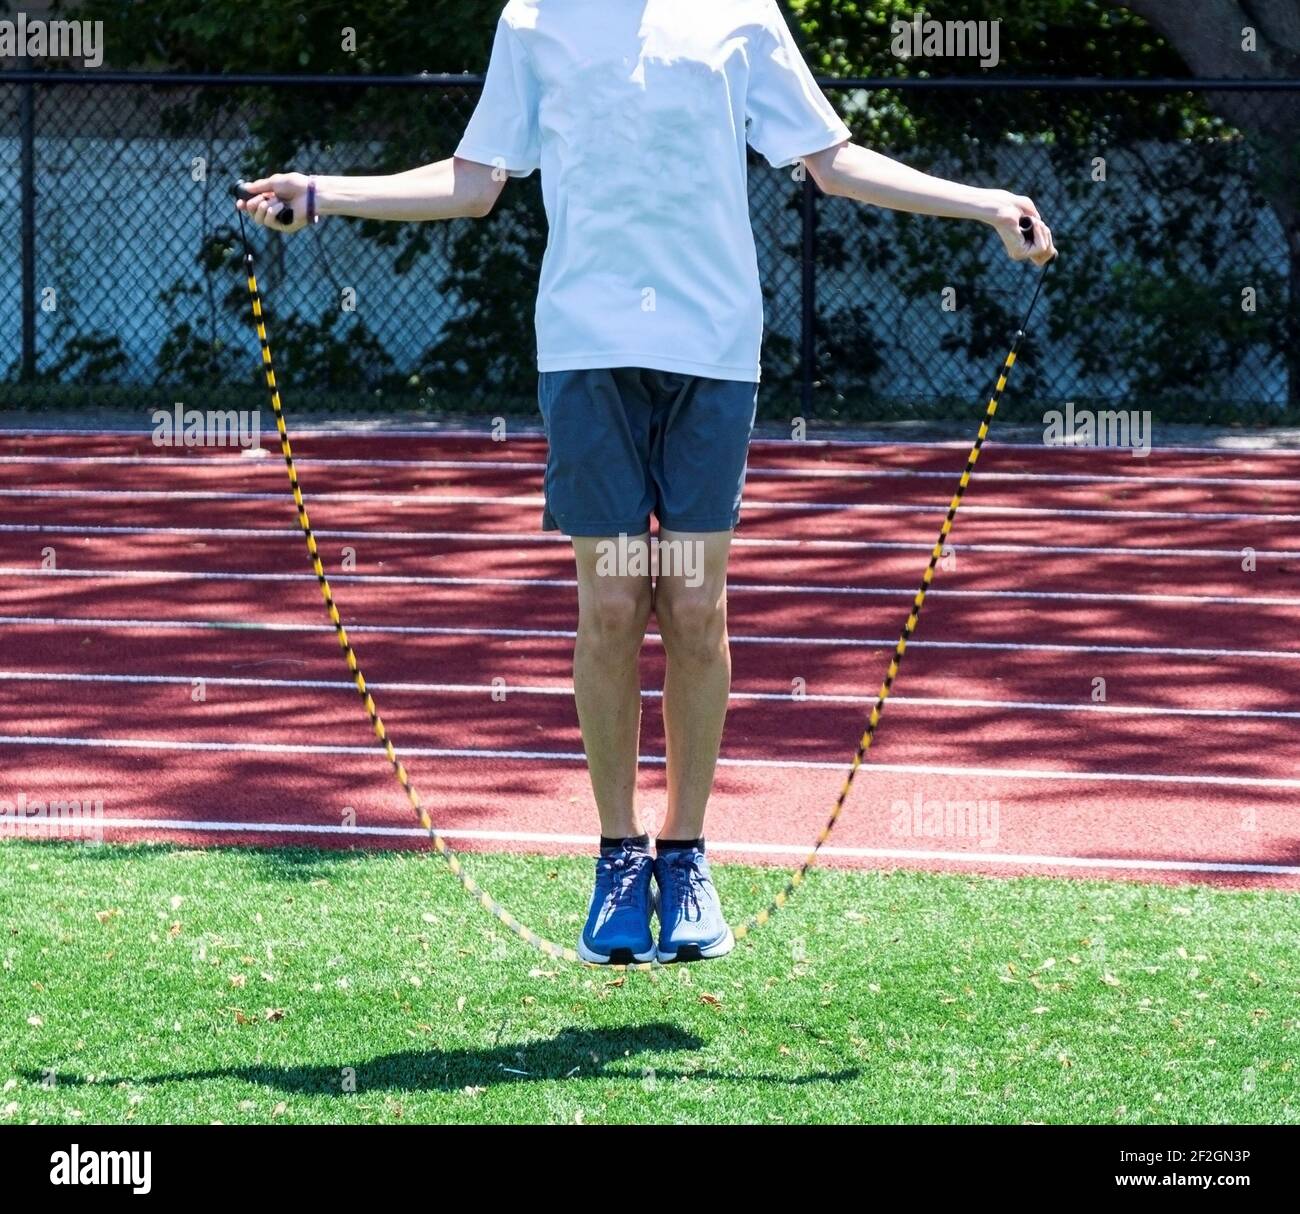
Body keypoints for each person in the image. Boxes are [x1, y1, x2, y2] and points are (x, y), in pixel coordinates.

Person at [238, 0, 1056, 966]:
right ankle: (620, 854)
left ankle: (688, 852)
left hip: (713, 352)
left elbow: (831, 161)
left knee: (697, 607)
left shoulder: (740, 15)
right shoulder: (532, 20)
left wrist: (984, 201)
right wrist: (326, 193)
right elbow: (474, 182)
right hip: (588, 351)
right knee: (615, 605)